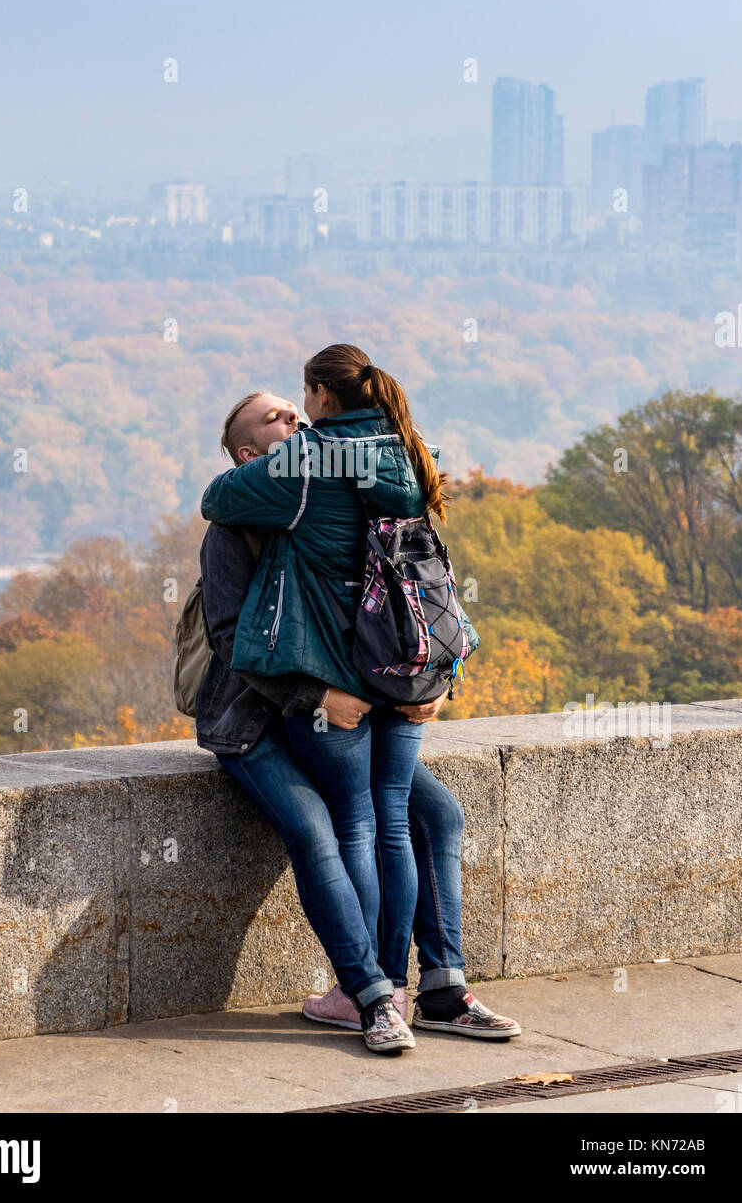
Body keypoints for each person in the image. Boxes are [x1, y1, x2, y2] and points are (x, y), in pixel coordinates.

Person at [200, 350, 520, 1051]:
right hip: (265, 714)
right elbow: (227, 638)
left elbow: (418, 581)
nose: (293, 416)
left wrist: (431, 678)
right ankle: (372, 993)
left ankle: (435, 987)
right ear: (252, 453)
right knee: (335, 829)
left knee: (435, 816)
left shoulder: (345, 480)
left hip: (367, 699)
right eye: (274, 417)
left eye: (295, 404)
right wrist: (318, 691)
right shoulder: (249, 518)